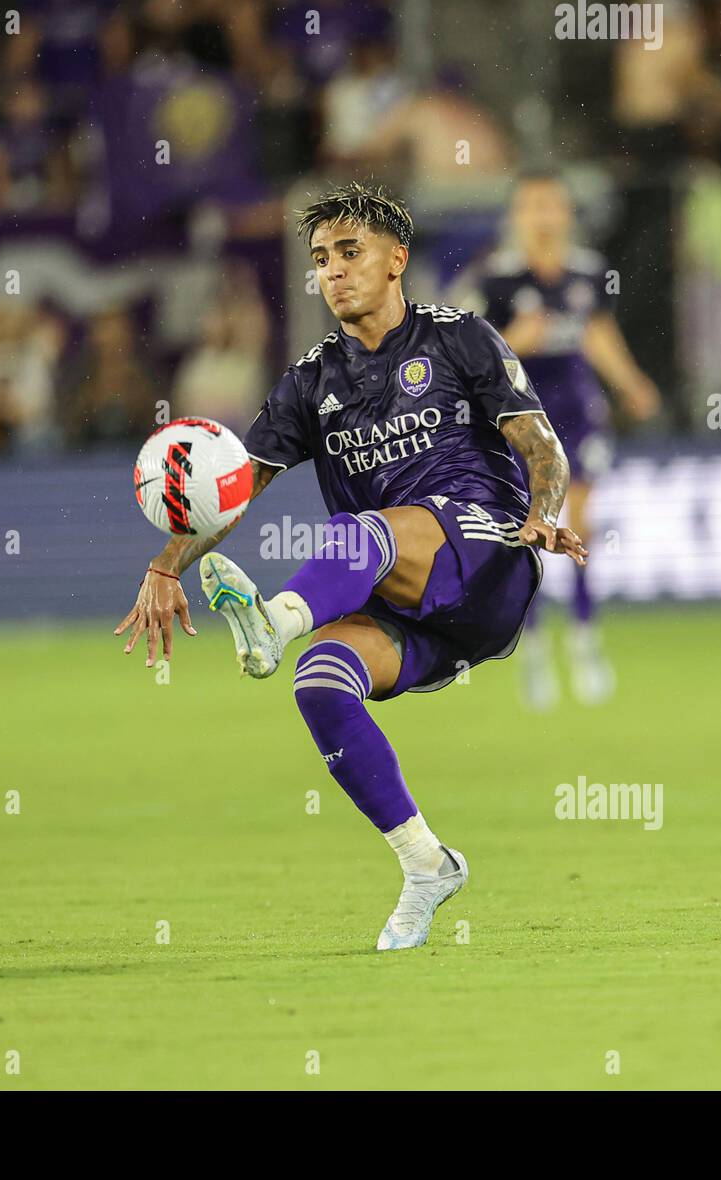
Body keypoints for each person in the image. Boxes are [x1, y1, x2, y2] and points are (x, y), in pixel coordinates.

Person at [116, 182, 585, 951]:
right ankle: (426, 863)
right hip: (408, 605)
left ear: (397, 259)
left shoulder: (459, 339)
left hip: (485, 551)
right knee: (321, 683)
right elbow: (235, 492)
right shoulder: (310, 383)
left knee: (360, 531)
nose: (333, 272)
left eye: (350, 252)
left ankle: (273, 623)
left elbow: (542, 446)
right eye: (321, 259)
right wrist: (167, 565)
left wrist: (545, 513)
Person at [477, 172, 659, 708]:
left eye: (551, 205)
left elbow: (597, 333)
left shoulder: (588, 271)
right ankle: (532, 650)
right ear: (516, 216)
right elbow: (478, 361)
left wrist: (631, 382)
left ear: (565, 213)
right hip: (523, 414)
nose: (543, 216)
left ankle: (584, 641)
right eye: (531, 206)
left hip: (577, 411)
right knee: (527, 530)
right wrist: (517, 341)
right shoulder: (496, 281)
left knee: (580, 525)